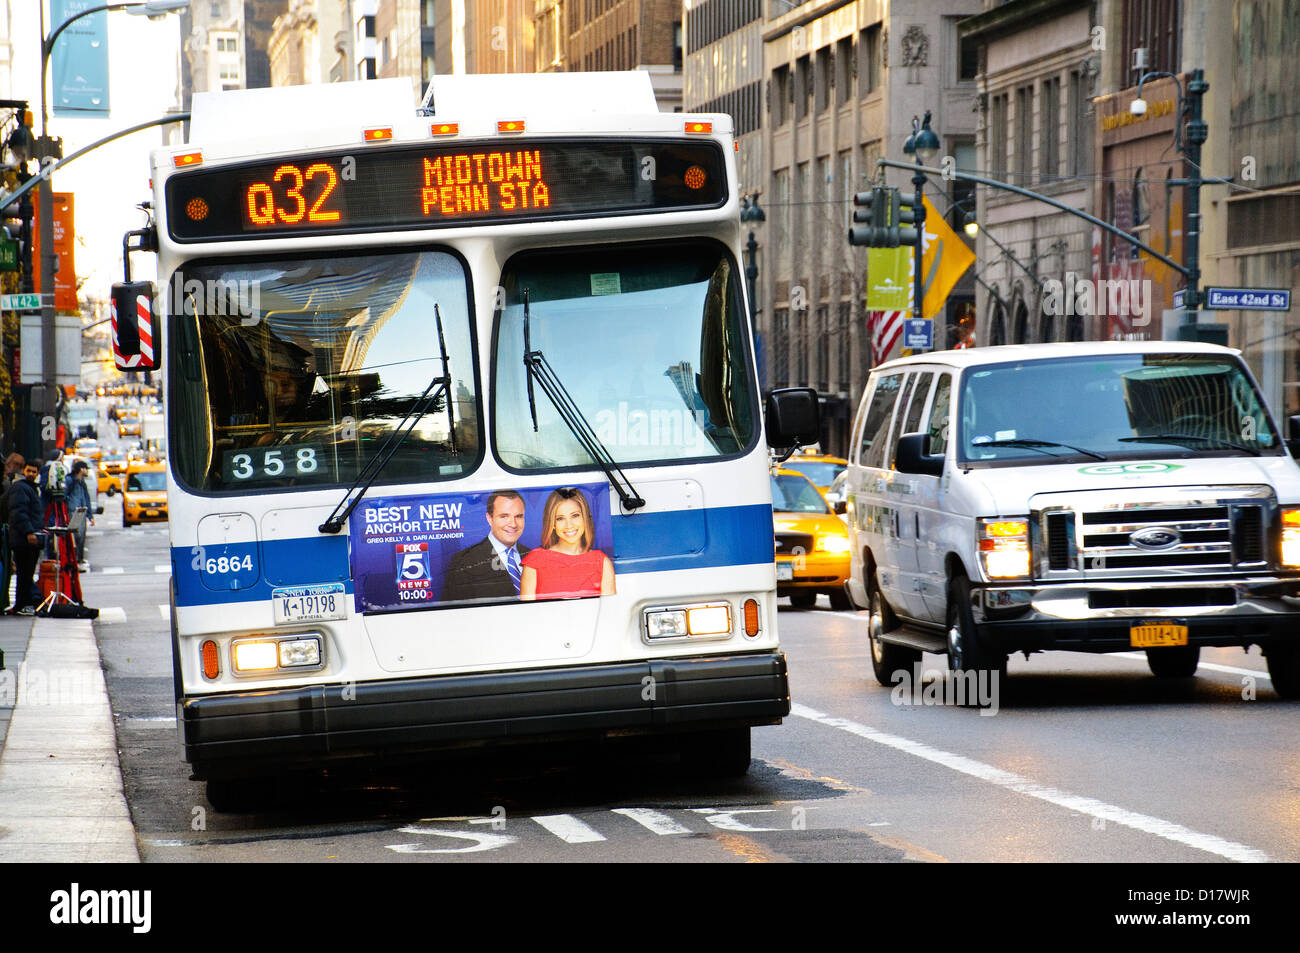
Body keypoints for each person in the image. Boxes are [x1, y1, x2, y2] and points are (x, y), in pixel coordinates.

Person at [519, 487, 615, 600]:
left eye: (575, 515)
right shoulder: (534, 562)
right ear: (552, 524)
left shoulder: (602, 562)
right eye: (560, 518)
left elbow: (609, 612)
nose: (569, 525)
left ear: (585, 518)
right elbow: (528, 614)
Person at [440, 490, 530, 602]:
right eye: (504, 516)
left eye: (519, 516)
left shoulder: (534, 556)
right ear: (490, 519)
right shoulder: (464, 562)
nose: (513, 524)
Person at [7, 462, 45, 616]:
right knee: (24, 573)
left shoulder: (29, 489)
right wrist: (30, 532)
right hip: (24, 539)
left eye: (34, 472)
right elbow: (19, 512)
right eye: (29, 471)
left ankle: (23, 604)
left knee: (26, 573)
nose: (31, 474)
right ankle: (23, 604)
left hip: (28, 538)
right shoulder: (21, 488)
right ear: (24, 470)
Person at [64, 460, 93, 569]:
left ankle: (79, 559)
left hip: (82, 511)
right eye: (86, 468)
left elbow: (86, 498)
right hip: (73, 511)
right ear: (81, 469)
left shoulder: (81, 482)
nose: (87, 471)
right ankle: (74, 559)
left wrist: (90, 515)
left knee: (81, 536)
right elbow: (65, 495)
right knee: (76, 536)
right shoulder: (70, 480)